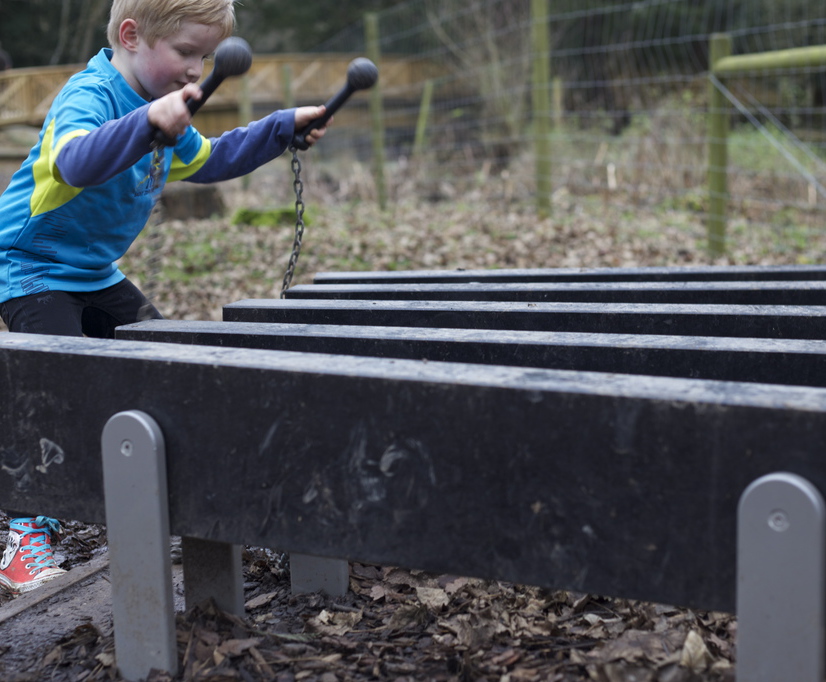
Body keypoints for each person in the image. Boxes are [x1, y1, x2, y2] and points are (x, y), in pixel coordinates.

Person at [0, 0, 329, 594]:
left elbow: (210, 159)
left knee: (163, 369)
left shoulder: (171, 110)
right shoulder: (91, 94)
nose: (196, 70)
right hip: (30, 267)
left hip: (96, 271)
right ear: (131, 36)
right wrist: (149, 122)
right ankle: (27, 534)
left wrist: (280, 126)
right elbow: (74, 162)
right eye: (185, 53)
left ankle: (192, 503)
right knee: (55, 392)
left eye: (205, 57)